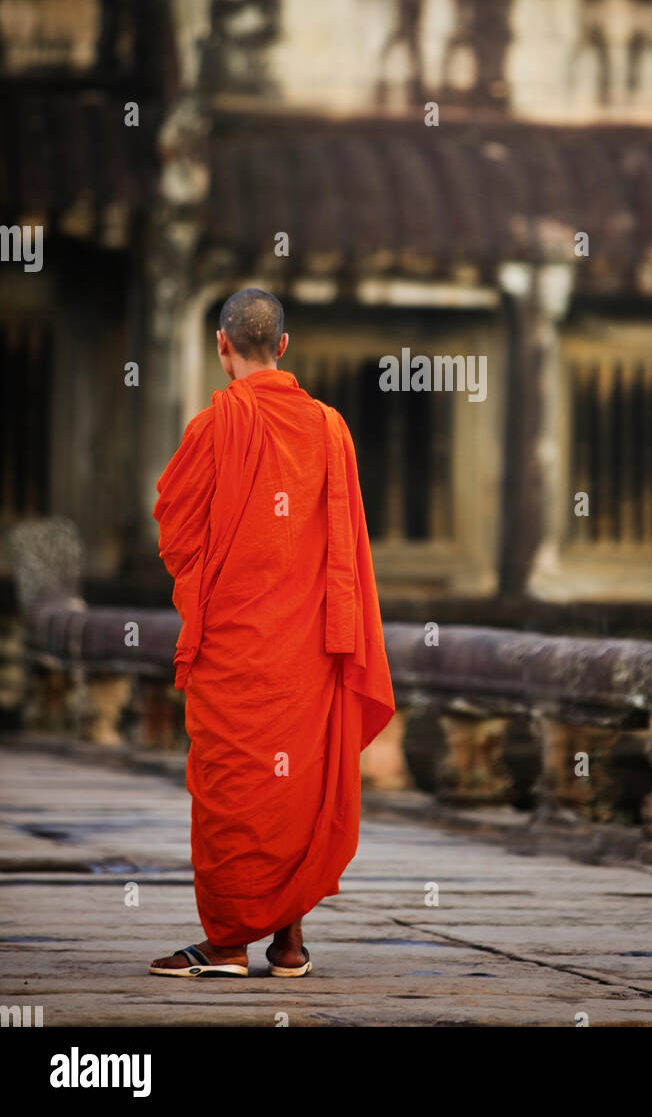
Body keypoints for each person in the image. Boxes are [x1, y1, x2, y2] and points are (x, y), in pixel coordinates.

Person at [149, 288, 394, 978]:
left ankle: (226, 944)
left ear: (221, 345)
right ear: (283, 347)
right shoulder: (331, 427)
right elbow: (345, 547)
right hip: (311, 648)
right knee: (296, 785)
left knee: (233, 787)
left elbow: (177, 533)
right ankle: (288, 944)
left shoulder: (211, 427)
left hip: (235, 647)